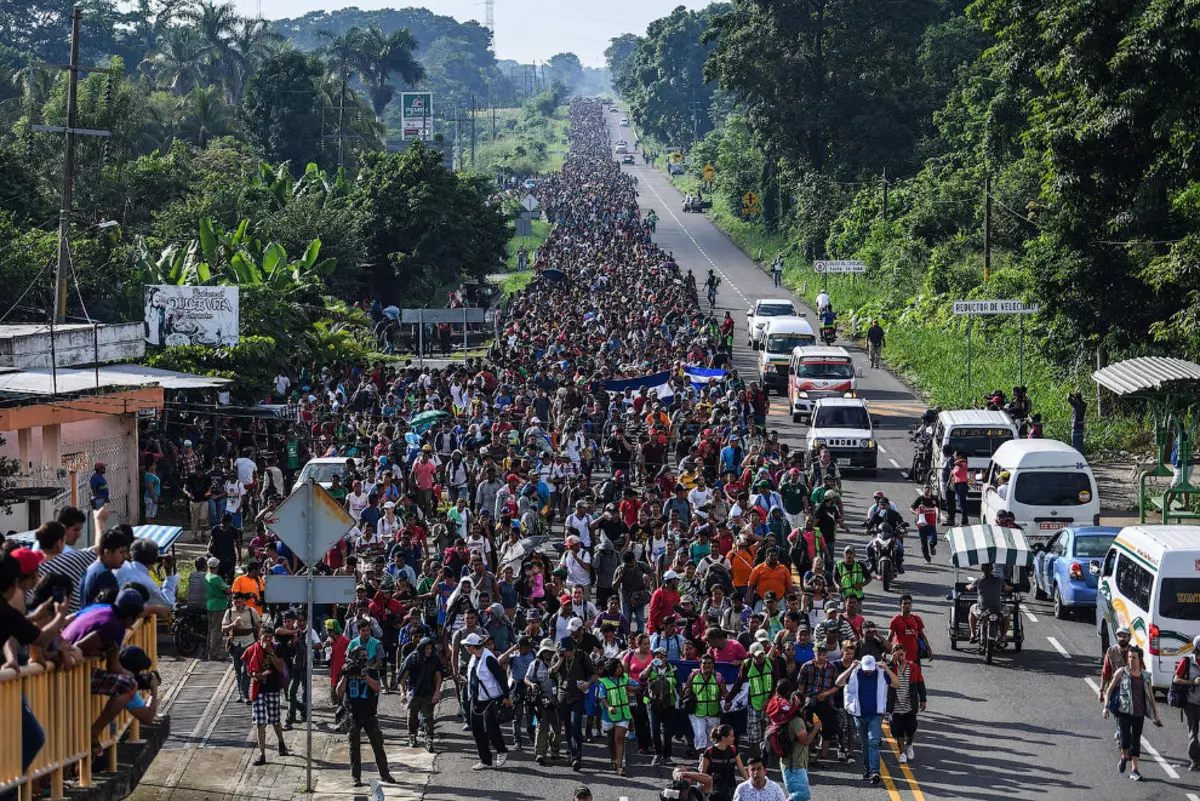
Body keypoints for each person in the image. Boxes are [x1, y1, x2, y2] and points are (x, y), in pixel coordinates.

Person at [336, 645, 397, 786]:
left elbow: (376, 687)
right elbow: (339, 692)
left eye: (365, 656)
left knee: (378, 746)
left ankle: (385, 774)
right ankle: (355, 777)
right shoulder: (347, 670)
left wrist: (364, 675)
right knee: (354, 748)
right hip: (353, 714)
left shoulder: (371, 671)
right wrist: (345, 675)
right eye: (361, 656)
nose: (363, 659)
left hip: (369, 714)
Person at [1103, 645, 1163, 781]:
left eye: (1134, 657)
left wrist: (1156, 714)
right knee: (1125, 740)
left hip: (1139, 713)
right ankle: (1124, 756)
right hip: (1124, 712)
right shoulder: (1121, 672)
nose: (1131, 660)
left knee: (1136, 741)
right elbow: (1110, 689)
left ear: (1140, 660)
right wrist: (1106, 707)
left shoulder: (1146, 676)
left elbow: (1151, 697)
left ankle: (1134, 770)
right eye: (1129, 657)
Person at [836, 654, 896, 784]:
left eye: (870, 669)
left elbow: (896, 684)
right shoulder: (854, 673)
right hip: (859, 715)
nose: (868, 671)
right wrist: (851, 668)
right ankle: (868, 769)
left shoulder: (880, 673)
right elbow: (838, 682)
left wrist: (887, 668)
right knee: (864, 744)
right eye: (866, 669)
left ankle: (875, 771)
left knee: (873, 742)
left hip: (875, 715)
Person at [464, 631, 512, 770]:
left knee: (491, 728)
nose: (467, 648)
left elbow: (501, 678)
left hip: (491, 699)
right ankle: (485, 759)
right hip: (476, 699)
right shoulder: (474, 658)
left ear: (473, 647)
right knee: (477, 730)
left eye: (468, 646)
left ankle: (501, 750)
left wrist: (506, 696)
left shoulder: (489, 659)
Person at [244, 630, 290, 766]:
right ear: (260, 637)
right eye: (265, 637)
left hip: (272, 688)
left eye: (270, 637)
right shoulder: (253, 649)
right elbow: (249, 671)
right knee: (260, 722)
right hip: (259, 690)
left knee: (275, 720)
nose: (268, 639)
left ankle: (281, 742)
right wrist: (254, 675)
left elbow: (280, 666)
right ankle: (262, 754)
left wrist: (270, 652)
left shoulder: (277, 648)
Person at [396, 636, 443, 752]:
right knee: (412, 717)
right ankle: (412, 736)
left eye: (430, 648)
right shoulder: (412, 658)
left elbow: (438, 677)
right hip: (414, 693)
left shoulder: (434, 659)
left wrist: (437, 692)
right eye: (426, 648)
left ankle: (429, 739)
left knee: (428, 718)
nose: (429, 651)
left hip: (428, 692)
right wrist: (402, 693)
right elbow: (403, 677)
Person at [887, 643, 926, 764]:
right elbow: (884, 673)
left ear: (906, 654)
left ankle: (909, 745)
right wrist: (891, 662)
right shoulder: (891, 668)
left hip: (910, 704)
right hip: (896, 705)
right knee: (897, 730)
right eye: (897, 654)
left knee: (911, 728)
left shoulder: (913, 667)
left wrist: (923, 699)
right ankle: (902, 752)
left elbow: (920, 683)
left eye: (901, 654)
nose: (900, 657)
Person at [222, 592, 261, 703]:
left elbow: (259, 624)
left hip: (249, 643)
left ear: (244, 601)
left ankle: (244, 694)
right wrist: (232, 625)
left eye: (239, 602)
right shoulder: (229, 612)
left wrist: (260, 636)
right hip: (235, 644)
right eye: (235, 602)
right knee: (238, 670)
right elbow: (223, 628)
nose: (238, 605)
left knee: (246, 670)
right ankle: (241, 693)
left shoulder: (250, 611)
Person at [598, 657, 633, 776]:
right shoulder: (603, 681)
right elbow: (602, 697)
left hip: (624, 713)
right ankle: (613, 758)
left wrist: (632, 688)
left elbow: (637, 685)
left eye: (620, 666)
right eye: (617, 667)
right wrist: (608, 707)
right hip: (609, 715)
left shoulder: (625, 678)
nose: (620, 669)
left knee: (619, 739)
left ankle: (619, 766)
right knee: (611, 740)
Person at [685, 654, 727, 752]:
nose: (707, 665)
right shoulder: (693, 675)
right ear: (700, 664)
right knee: (700, 735)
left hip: (714, 712)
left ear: (713, 665)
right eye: (704, 663)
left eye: (709, 663)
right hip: (697, 711)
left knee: (713, 737)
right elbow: (687, 689)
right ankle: (701, 759)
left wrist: (728, 701)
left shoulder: (718, 676)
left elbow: (724, 692)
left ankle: (710, 760)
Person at [700, 723, 746, 801]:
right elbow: (703, 773)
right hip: (714, 790)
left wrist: (750, 783)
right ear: (723, 738)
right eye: (731, 736)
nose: (734, 738)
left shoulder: (733, 750)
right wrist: (703, 794)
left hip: (731, 788)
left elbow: (742, 769)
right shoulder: (709, 751)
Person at [967, 563, 1009, 644]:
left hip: (982, 609)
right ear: (992, 569)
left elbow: (969, 587)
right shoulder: (999, 580)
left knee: (972, 609)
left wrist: (968, 586)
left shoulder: (978, 580)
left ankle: (972, 634)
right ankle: (1003, 636)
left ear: (981, 569)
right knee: (1007, 614)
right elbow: (1007, 588)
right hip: (998, 609)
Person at [204, 556, 231, 660]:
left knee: (210, 630)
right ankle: (214, 653)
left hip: (210, 604)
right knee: (217, 630)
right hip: (218, 605)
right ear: (217, 566)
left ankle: (209, 651)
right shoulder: (217, 578)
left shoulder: (207, 576)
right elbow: (227, 590)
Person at [1068, 390, 1087, 454]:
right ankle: (1082, 457)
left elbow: (1068, 398)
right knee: (1080, 444)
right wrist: (1074, 396)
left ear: (1077, 399)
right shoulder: (1083, 405)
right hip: (1081, 427)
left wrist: (1071, 395)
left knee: (1075, 444)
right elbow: (1082, 402)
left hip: (1075, 427)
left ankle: (1076, 457)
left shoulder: (1076, 405)